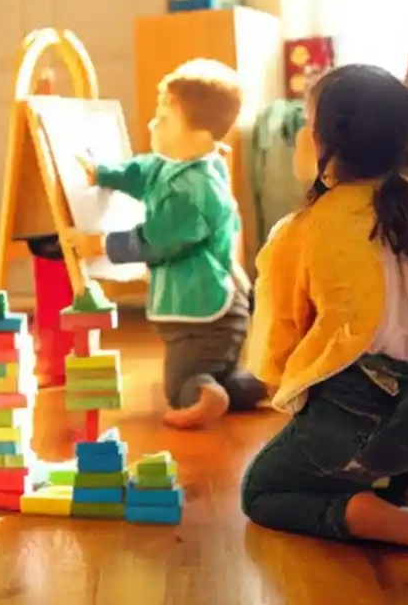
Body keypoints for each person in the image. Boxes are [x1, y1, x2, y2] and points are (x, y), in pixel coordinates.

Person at [238, 64, 408, 548]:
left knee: (261, 490)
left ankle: (365, 514)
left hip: (355, 407)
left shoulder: (305, 228)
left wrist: (285, 387)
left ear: (323, 144)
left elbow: (279, 329)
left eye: (306, 124)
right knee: (394, 434)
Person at [71, 59, 266, 429]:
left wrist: (103, 245)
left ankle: (204, 395)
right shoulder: (170, 166)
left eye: (163, 120)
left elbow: (159, 240)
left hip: (205, 314)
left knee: (180, 383)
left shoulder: (194, 188)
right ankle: (254, 387)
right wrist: (103, 174)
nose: (152, 125)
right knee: (220, 371)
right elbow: (140, 173)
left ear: (201, 137)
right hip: (207, 311)